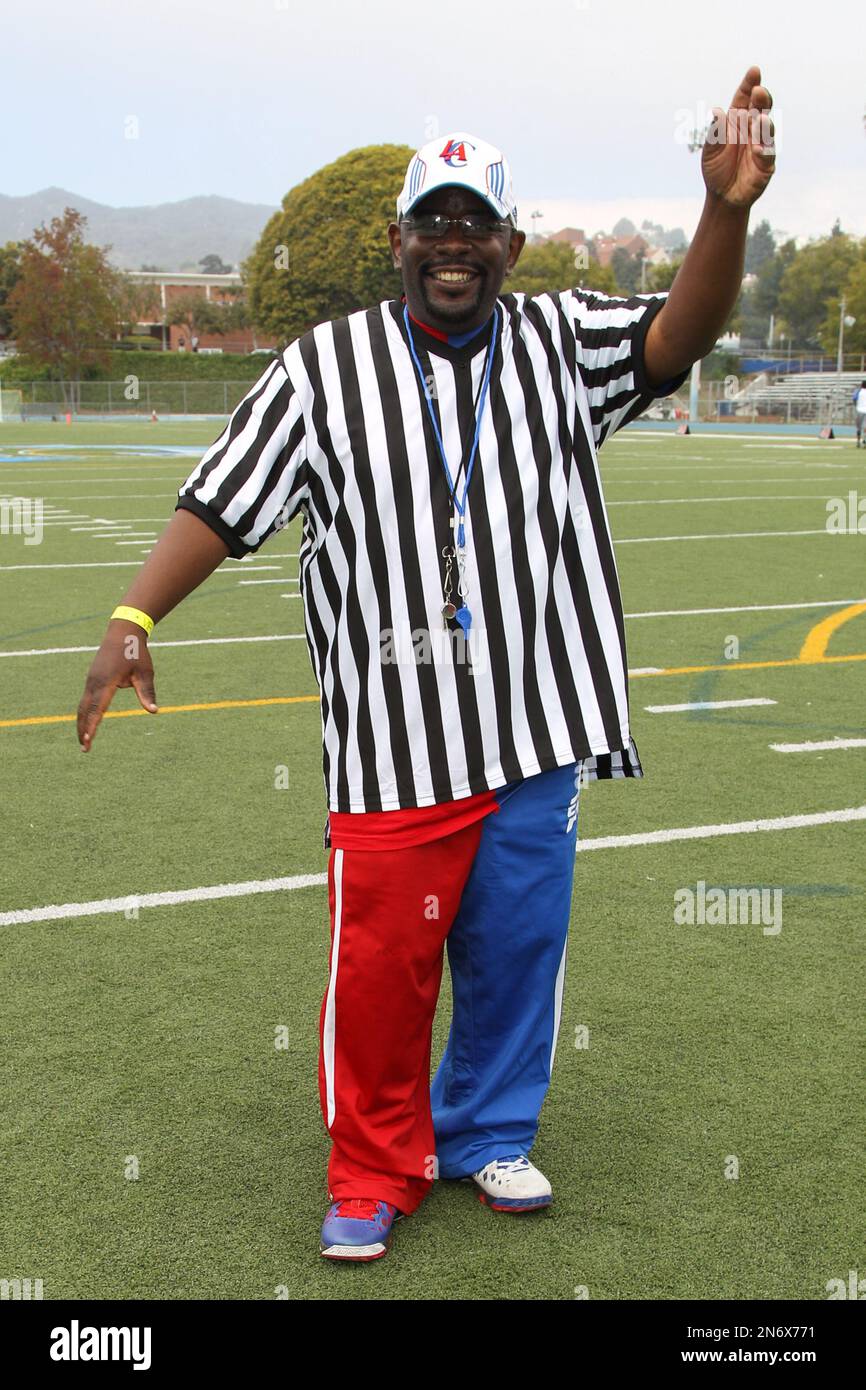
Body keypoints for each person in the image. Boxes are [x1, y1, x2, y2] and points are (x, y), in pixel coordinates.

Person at [77, 67, 776, 1262]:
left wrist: (722, 210)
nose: (454, 245)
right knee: (385, 969)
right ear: (396, 241)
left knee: (515, 946)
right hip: (393, 738)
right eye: (432, 224)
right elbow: (223, 500)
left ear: (508, 243)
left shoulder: (558, 339)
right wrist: (133, 616)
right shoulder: (320, 369)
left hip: (530, 722)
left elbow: (677, 337)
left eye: (477, 225)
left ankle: (488, 1129)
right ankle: (371, 1164)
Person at [853, 380, 866, 447]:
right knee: (865, 427)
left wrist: (856, 406)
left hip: (859, 410)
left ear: (861, 385)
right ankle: (864, 441)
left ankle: (858, 441)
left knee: (858, 427)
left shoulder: (858, 391)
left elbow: (854, 399)